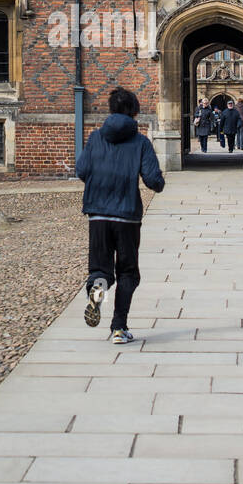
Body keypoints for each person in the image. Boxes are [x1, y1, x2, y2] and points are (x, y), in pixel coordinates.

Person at [76, 87, 165, 345]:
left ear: (111, 110)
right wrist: (159, 182)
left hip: (98, 214)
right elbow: (152, 180)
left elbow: (82, 170)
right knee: (128, 272)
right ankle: (118, 328)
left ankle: (98, 289)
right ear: (134, 111)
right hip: (126, 215)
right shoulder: (140, 142)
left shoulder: (95, 138)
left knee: (100, 269)